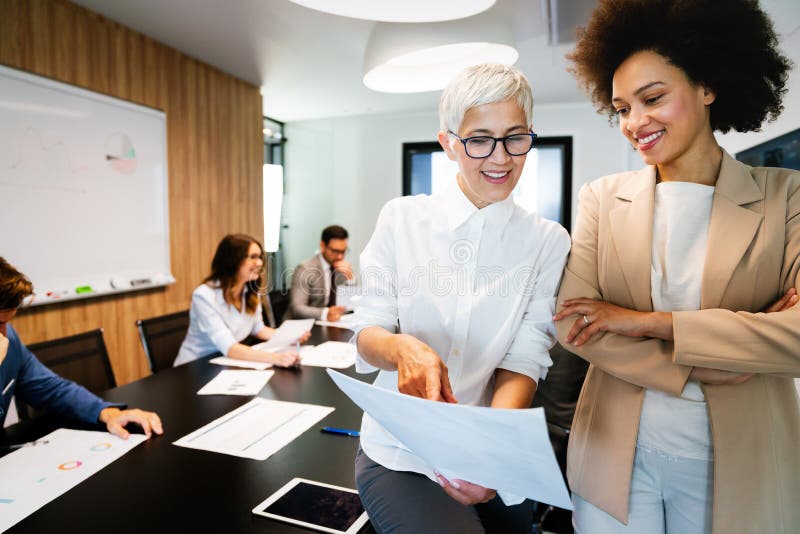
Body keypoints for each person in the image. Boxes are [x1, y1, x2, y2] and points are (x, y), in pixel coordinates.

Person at [553, 1, 800, 532]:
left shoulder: (786, 196)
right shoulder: (601, 197)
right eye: (621, 108)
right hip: (612, 459)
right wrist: (704, 360)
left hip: (740, 462)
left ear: (706, 86)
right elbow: (574, 322)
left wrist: (648, 323)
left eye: (652, 98)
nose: (634, 123)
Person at [352, 63, 571, 533]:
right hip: (401, 450)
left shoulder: (548, 241)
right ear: (449, 142)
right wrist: (403, 349)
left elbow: (525, 357)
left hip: (490, 440)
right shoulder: (401, 219)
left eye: (515, 137)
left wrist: (487, 455)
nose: (500, 157)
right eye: (479, 139)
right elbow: (368, 334)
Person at [0, 257, 163, 440]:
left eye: (6, 323)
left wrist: (109, 413)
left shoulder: (10, 339)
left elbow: (52, 389)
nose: (4, 334)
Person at [174, 234, 308, 367]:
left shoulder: (250, 291)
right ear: (232, 260)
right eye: (253, 257)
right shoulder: (204, 296)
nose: (260, 263)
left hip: (224, 362)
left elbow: (258, 329)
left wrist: (290, 337)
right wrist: (276, 358)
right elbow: (229, 347)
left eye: (260, 257)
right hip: (195, 367)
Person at [285, 225, 354, 322]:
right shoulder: (305, 269)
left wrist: (351, 279)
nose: (340, 256)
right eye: (335, 251)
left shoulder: (341, 268)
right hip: (302, 324)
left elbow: (350, 304)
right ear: (322, 246)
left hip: (330, 323)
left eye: (343, 251)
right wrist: (326, 314)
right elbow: (298, 308)